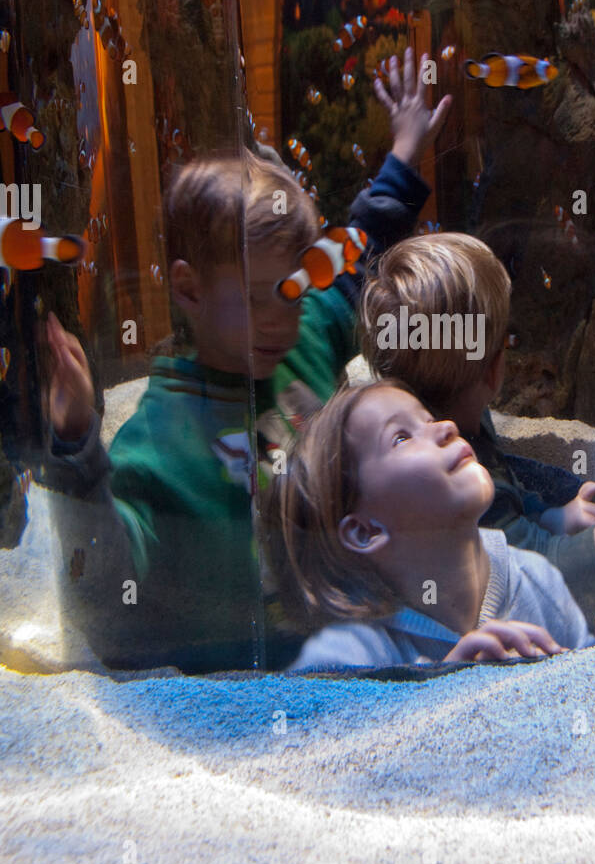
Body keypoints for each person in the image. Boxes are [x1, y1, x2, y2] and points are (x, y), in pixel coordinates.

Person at [42, 52, 450, 673]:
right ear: (189, 289)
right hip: (228, 685)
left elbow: (362, 251)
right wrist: (75, 446)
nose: (281, 319)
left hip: (360, 655)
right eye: (256, 298)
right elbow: (106, 593)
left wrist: (404, 149)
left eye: (290, 293)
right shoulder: (158, 439)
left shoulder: (304, 335)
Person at [357, 232, 595, 629]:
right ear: (495, 369)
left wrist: (555, 516)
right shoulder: (461, 485)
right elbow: (536, 569)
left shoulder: (467, 423)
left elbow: (511, 487)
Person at [261, 381, 595, 673]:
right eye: (401, 437)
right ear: (365, 531)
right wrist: (439, 688)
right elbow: (312, 752)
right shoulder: (353, 654)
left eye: (429, 418)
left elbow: (579, 690)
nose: (445, 427)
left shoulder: (536, 579)